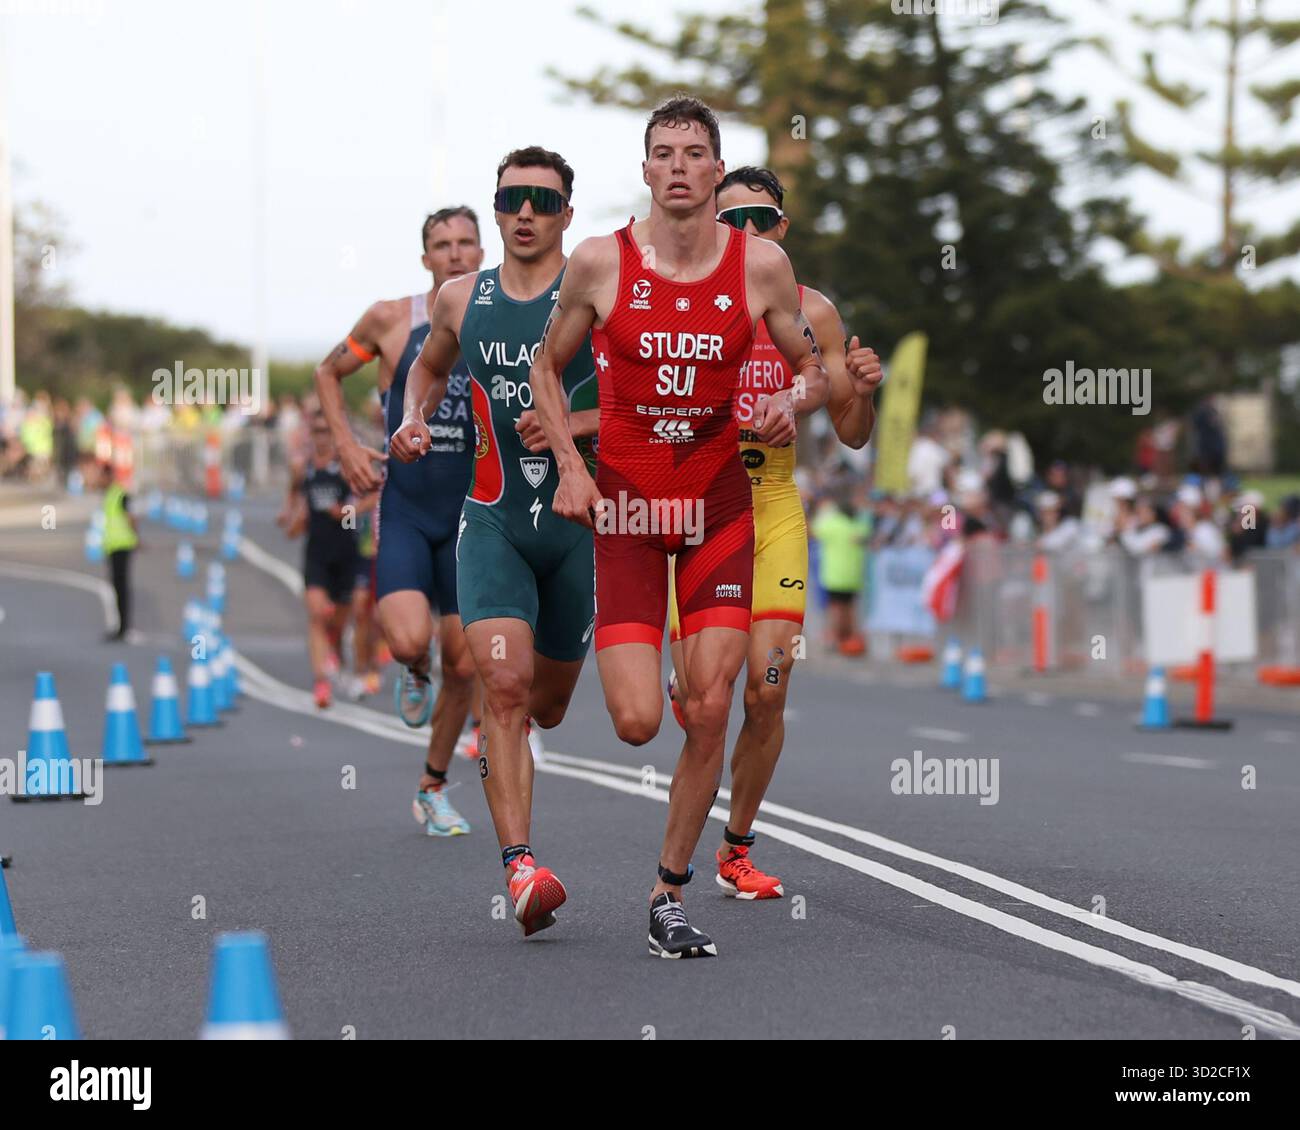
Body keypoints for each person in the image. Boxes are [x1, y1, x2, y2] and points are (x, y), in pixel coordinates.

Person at [530, 96, 829, 957]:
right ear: (647, 168)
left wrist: (786, 397)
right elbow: (548, 373)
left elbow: (817, 369)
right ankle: (666, 679)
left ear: (714, 163)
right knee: (636, 723)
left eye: (695, 153)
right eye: (663, 153)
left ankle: (668, 894)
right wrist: (573, 470)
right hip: (626, 512)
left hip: (720, 513)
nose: (679, 167)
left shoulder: (760, 266)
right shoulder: (599, 262)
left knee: (711, 707)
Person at [659, 164, 881, 899]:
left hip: (775, 502)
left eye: (763, 220)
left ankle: (736, 846)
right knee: (703, 702)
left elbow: (851, 432)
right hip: (693, 509)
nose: (750, 233)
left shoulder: (812, 312)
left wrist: (863, 390)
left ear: (781, 230)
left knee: (769, 690)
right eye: (735, 220)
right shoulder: (678, 298)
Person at [394, 146, 598, 935]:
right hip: (492, 520)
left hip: (576, 530)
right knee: (502, 690)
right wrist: (414, 418)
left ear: (566, 218)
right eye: (512, 197)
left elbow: (644, 412)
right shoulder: (459, 298)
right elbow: (429, 370)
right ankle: (520, 867)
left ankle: (512, 811)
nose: (524, 213)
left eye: (542, 202)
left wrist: (567, 423)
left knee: (546, 703)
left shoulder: (598, 297)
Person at [315, 208, 483, 836]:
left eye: (467, 243)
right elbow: (328, 371)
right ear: (425, 259)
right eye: (443, 245)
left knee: (465, 666)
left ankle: (432, 788)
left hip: (474, 515)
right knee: (413, 642)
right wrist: (348, 446)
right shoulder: (391, 318)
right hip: (408, 510)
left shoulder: (502, 314)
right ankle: (413, 672)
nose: (456, 254)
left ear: (482, 248)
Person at [284, 415, 359, 708]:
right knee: (316, 615)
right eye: (316, 431)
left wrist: (347, 511)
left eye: (327, 431)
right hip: (316, 552)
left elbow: (371, 497)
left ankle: (336, 647)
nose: (322, 437)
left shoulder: (347, 465)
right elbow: (293, 492)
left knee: (338, 620)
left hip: (345, 551)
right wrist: (290, 514)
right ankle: (321, 683)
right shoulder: (303, 467)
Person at [100, 462, 139, 643]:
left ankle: (123, 627)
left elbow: (131, 517)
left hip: (122, 547)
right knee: (117, 587)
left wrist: (135, 537)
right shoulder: (110, 495)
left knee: (121, 588)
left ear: (108, 476)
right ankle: (121, 626)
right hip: (113, 547)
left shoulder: (120, 494)